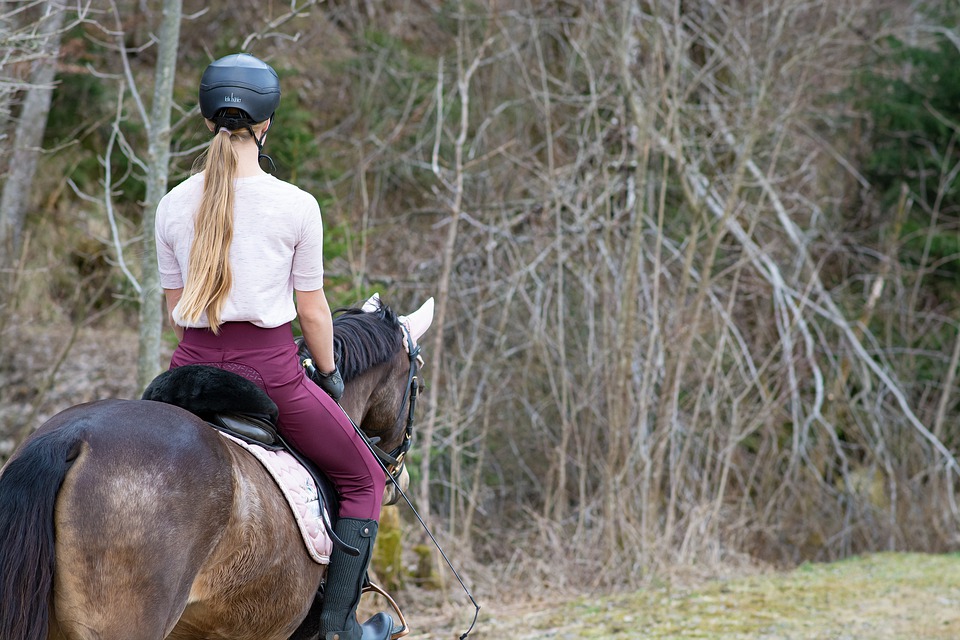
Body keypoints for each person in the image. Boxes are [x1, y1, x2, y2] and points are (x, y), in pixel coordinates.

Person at [155, 53, 393, 640]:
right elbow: (313, 311)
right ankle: (338, 628)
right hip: (269, 374)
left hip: (187, 374)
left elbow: (174, 308)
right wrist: (332, 373)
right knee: (365, 478)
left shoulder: (171, 204)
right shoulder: (296, 205)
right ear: (265, 123)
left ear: (210, 119)